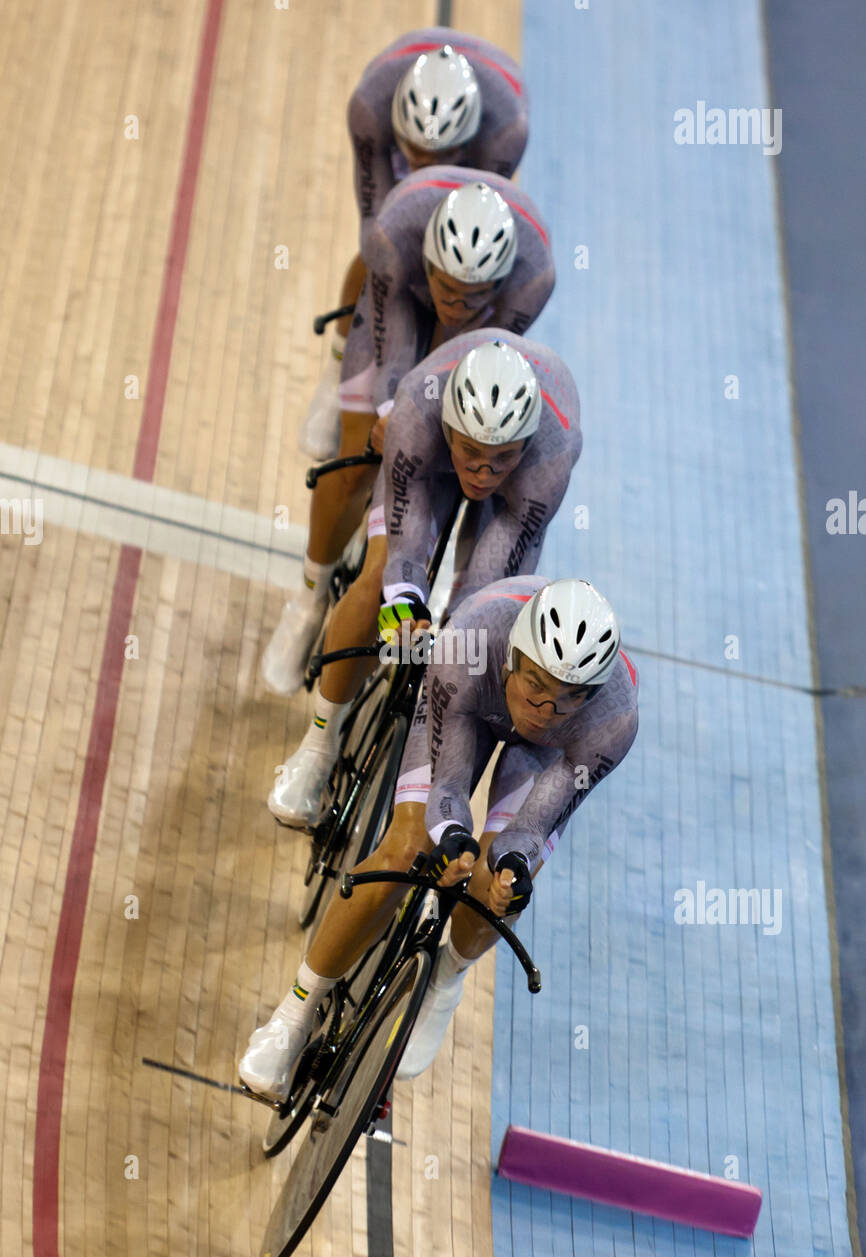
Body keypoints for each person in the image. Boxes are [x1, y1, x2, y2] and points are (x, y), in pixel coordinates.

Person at [240, 576, 639, 1101]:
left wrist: (512, 868)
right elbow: (448, 785)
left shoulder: (614, 718)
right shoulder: (472, 639)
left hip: (551, 758)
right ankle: (294, 1013)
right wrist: (452, 834)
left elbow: (532, 827)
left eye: (565, 700)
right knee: (411, 849)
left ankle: (448, 975)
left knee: (498, 886)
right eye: (536, 686)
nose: (544, 711)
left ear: (589, 696)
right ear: (513, 660)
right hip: (467, 705)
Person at [268, 332, 581, 827]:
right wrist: (405, 608)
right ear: (449, 432)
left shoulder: (549, 458)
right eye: (471, 453)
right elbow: (405, 549)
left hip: (518, 500)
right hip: (426, 458)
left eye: (501, 457)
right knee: (379, 583)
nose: (482, 472)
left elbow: (487, 598)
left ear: (524, 445)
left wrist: (453, 652)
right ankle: (319, 745)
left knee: (474, 638)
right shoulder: (419, 409)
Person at [261, 170, 554, 697]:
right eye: (448, 287)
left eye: (472, 294)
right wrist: (396, 411)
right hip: (398, 311)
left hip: (471, 355)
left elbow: (483, 352)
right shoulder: (398, 233)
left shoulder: (534, 276)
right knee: (360, 468)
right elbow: (396, 348)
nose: (456, 302)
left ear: (498, 282)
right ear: (430, 262)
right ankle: (307, 603)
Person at [300, 29, 528, 463]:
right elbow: (376, 229)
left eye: (434, 156)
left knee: (466, 271)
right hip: (398, 120)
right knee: (380, 247)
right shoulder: (371, 105)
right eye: (414, 152)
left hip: (477, 160)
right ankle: (336, 371)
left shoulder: (506, 131)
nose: (423, 167)